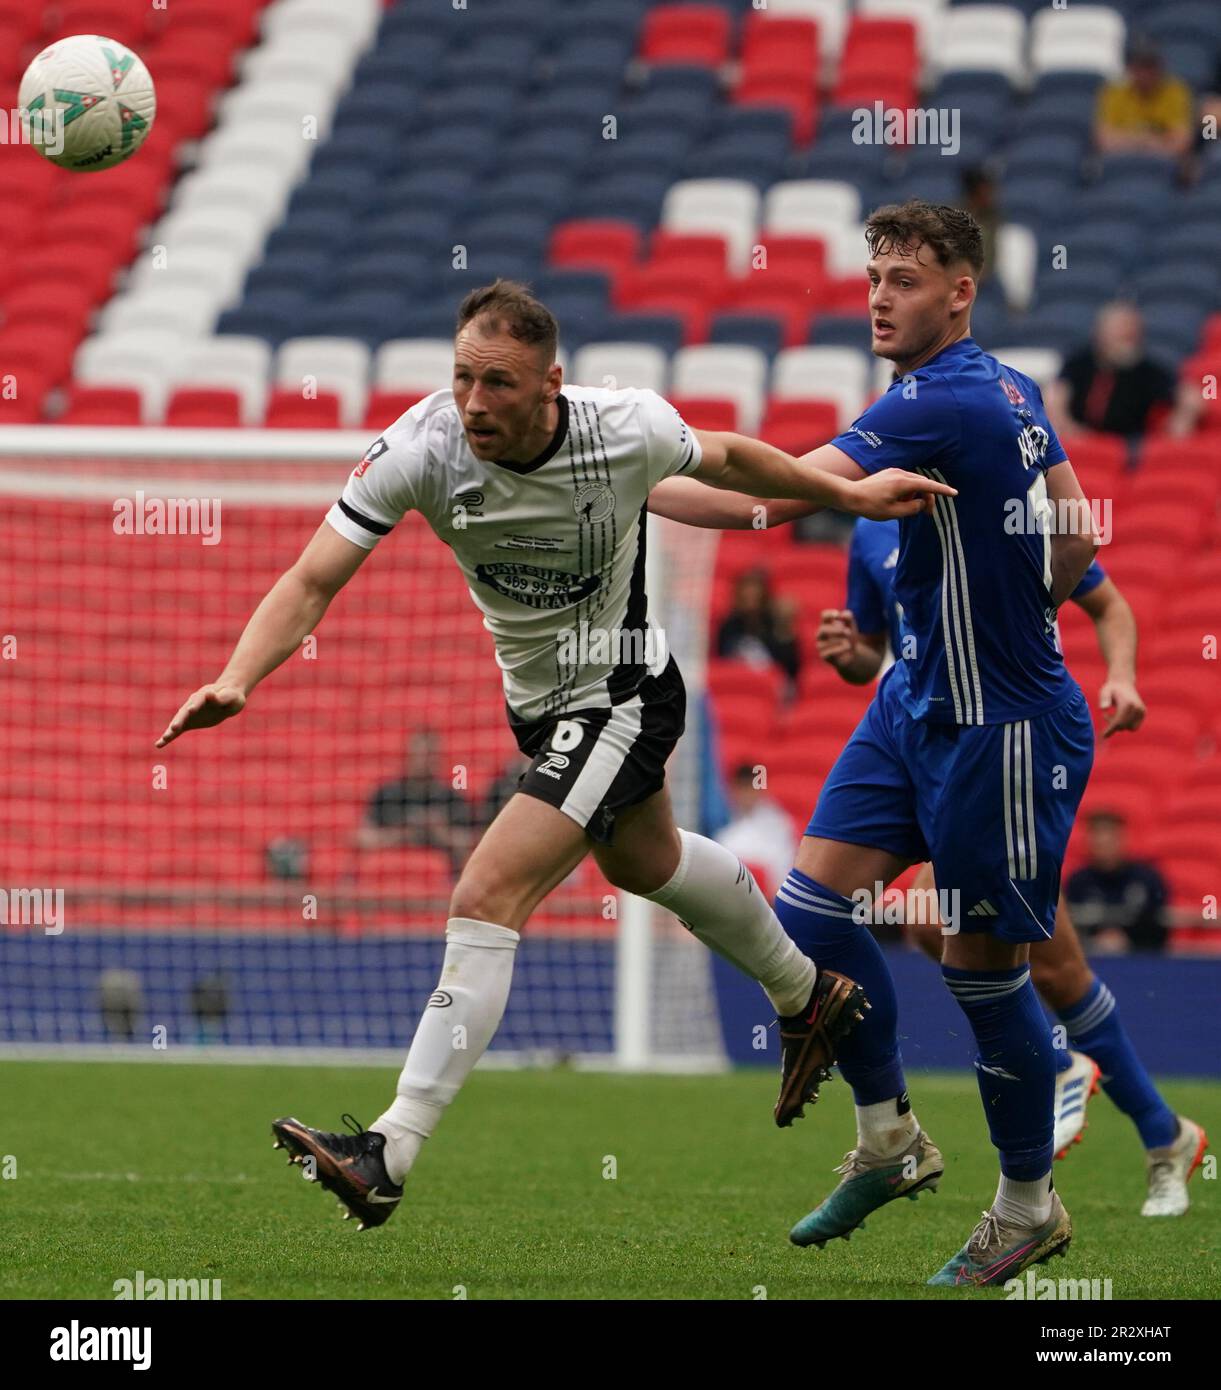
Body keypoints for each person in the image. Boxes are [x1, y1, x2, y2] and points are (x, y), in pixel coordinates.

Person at [156, 278, 954, 1233]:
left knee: (484, 895)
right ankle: (807, 990)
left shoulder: (622, 429)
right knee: (646, 862)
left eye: (499, 383)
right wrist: (240, 676)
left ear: (551, 384)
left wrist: (848, 493)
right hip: (539, 711)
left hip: (619, 691)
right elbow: (313, 575)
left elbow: (736, 459)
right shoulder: (420, 448)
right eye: (462, 378)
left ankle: (388, 1150)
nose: (475, 402)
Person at [652, 199, 1103, 1288]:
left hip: (998, 729)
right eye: (872, 278)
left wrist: (629, 489)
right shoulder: (1004, 384)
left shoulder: (944, 401)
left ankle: (1027, 1207)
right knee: (808, 907)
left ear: (960, 290)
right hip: (912, 707)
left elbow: (776, 490)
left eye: (904, 278)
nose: (879, 297)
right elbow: (1079, 524)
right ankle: (892, 1136)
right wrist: (1016, 609)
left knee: (981, 973)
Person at [815, 518, 1206, 1218]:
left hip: (1005, 748)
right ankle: (1157, 1132)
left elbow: (1107, 599)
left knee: (1035, 961)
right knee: (959, 934)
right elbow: (876, 648)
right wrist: (850, 654)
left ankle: (1095, 1102)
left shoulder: (992, 509)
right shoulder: (870, 524)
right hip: (922, 741)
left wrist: (1120, 676)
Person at [1045, 302, 1199, 441]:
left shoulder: (1148, 369)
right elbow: (1055, 394)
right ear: (1100, 333)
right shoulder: (1080, 361)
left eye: (1131, 333)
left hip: (1129, 443)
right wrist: (1066, 426)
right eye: (1120, 332)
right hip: (1081, 437)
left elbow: (1190, 396)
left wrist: (1181, 420)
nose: (1127, 338)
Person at [356, 730, 475, 870]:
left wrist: (439, 831)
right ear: (408, 756)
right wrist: (402, 833)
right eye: (419, 755)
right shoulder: (387, 794)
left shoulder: (452, 798)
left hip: (443, 881)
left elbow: (470, 844)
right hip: (389, 873)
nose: (423, 761)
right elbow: (362, 839)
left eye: (429, 755)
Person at [1066, 810, 1171, 954]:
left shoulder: (1147, 879)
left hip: (1141, 961)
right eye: (1098, 841)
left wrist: (1129, 940)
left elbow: (1161, 927)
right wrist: (1094, 941)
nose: (1103, 847)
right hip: (1091, 961)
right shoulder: (1077, 883)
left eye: (1109, 840)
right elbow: (1068, 931)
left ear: (1121, 839)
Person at [1094, 37, 1193, 161]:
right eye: (1141, 67)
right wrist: (1148, 140)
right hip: (1123, 161)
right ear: (1130, 68)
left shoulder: (1176, 91)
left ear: (1160, 66)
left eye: (1151, 66)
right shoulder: (1114, 92)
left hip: (1165, 164)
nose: (1146, 73)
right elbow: (1105, 141)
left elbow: (1181, 143)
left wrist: (1129, 139)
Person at [714, 763, 798, 897]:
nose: (746, 795)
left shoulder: (778, 825)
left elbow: (782, 869)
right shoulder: (726, 833)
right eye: (742, 789)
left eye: (750, 788)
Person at [715, 568, 802, 695]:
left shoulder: (775, 624)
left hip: (771, 691)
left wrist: (786, 630)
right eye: (746, 589)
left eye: (755, 589)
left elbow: (791, 670)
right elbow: (722, 665)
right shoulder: (728, 627)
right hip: (738, 688)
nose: (750, 594)